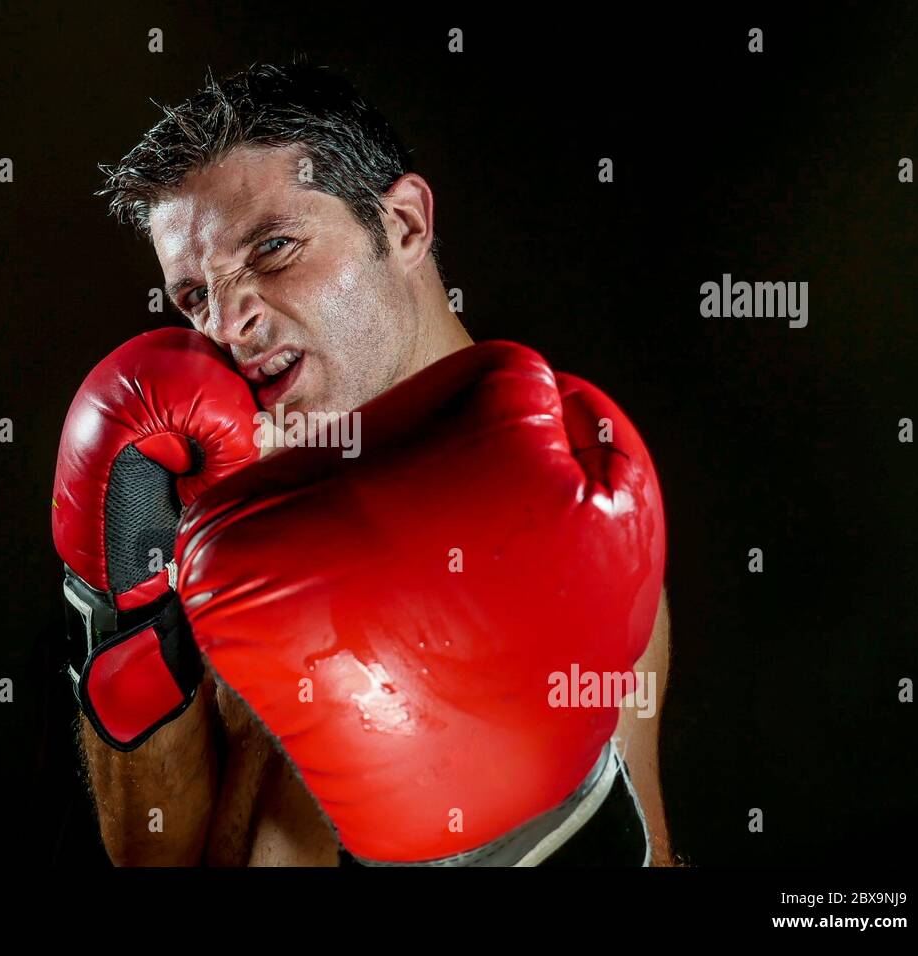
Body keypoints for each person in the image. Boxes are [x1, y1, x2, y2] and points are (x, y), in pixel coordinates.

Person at [53, 61, 673, 866]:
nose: (229, 323)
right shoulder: (227, 500)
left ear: (407, 225)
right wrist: (120, 615)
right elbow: (156, 857)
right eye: (195, 296)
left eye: (273, 247)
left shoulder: (542, 528)